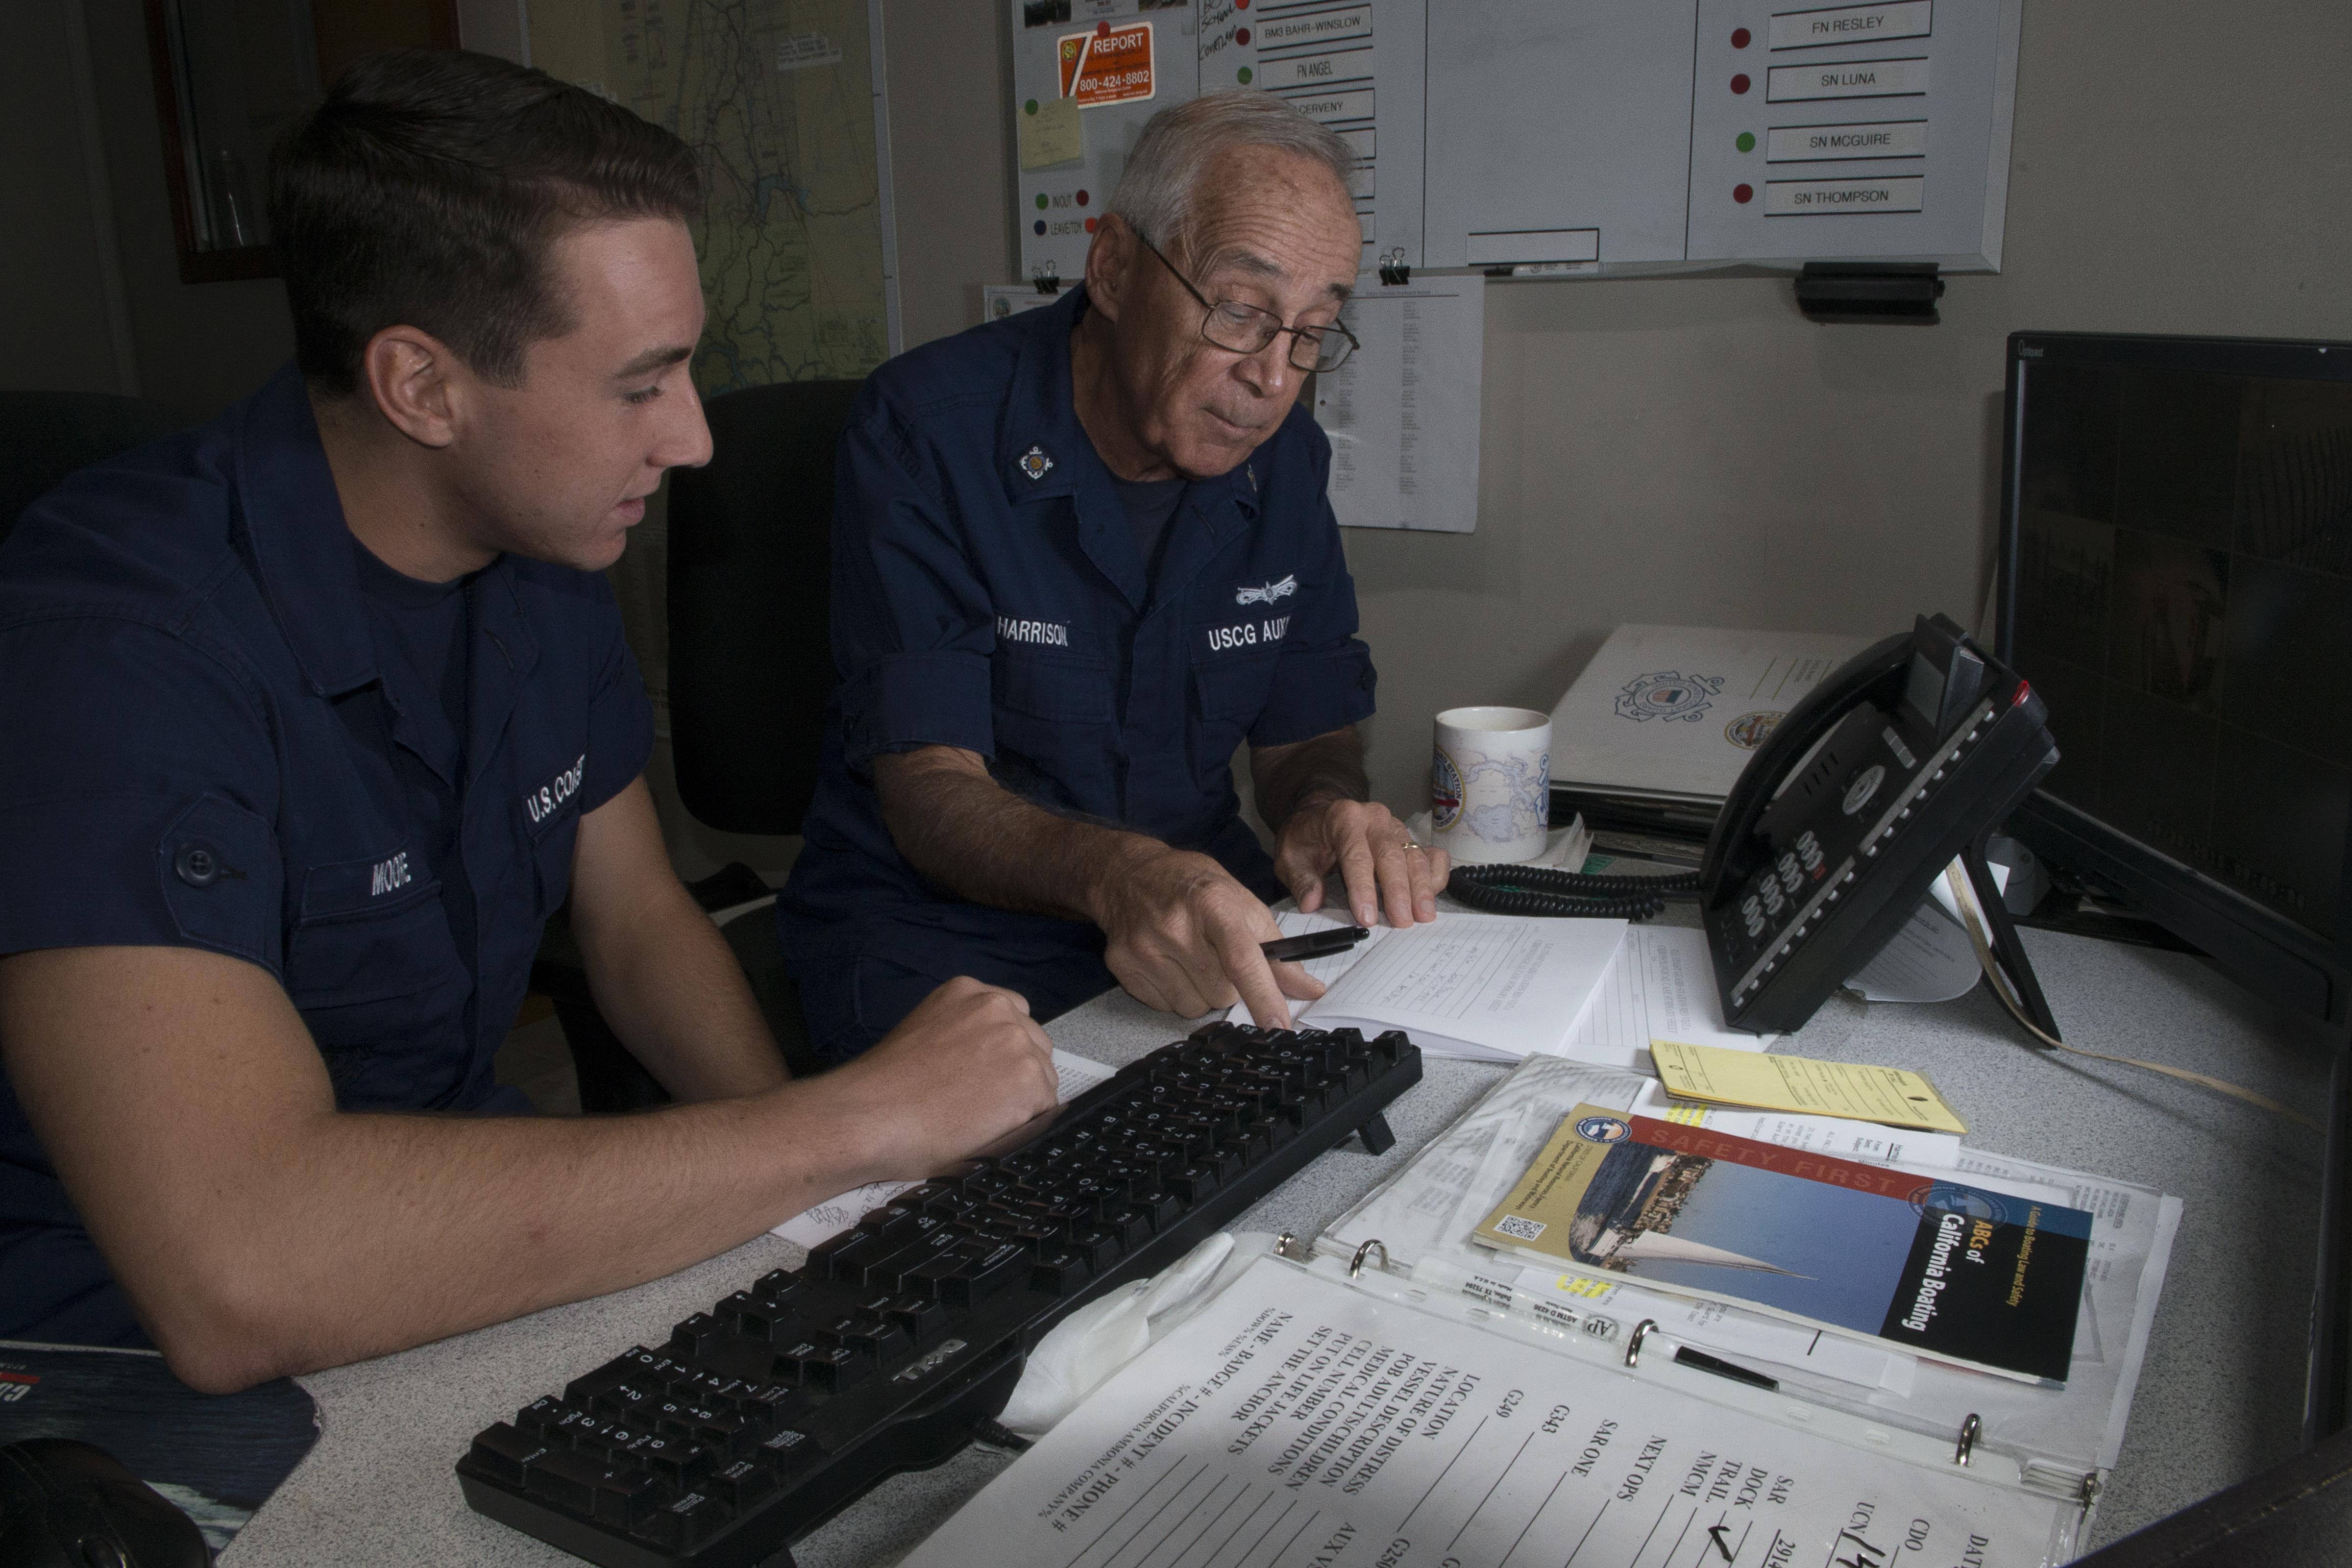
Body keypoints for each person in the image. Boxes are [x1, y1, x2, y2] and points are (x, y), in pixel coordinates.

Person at [0, 50, 1058, 1394]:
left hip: (472, 1229)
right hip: (111, 1353)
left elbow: (632, 918)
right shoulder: (113, 646)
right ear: (424, 387)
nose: (692, 440)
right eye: (640, 384)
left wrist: (827, 1204)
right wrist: (852, 1122)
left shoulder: (539, 547)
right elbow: (240, 1272)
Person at [776, 92, 1450, 1063]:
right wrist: (1122, 876)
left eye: (1310, 331)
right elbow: (928, 787)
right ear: (1115, 267)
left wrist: (1318, 810)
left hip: (1199, 915)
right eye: (1240, 311)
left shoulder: (1287, 455)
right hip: (950, 940)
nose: (1272, 378)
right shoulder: (929, 431)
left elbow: (1307, 729)